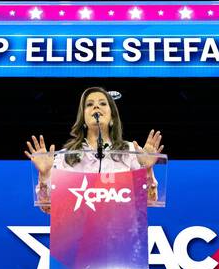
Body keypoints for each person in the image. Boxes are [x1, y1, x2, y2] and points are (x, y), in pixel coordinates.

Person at [25, 86, 162, 213]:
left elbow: (149, 200)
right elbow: (47, 206)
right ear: (83, 120)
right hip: (77, 235)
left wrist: (147, 169)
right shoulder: (65, 157)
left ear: (112, 118)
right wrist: (44, 175)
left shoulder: (130, 152)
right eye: (89, 104)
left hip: (120, 234)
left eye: (103, 103)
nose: (96, 106)